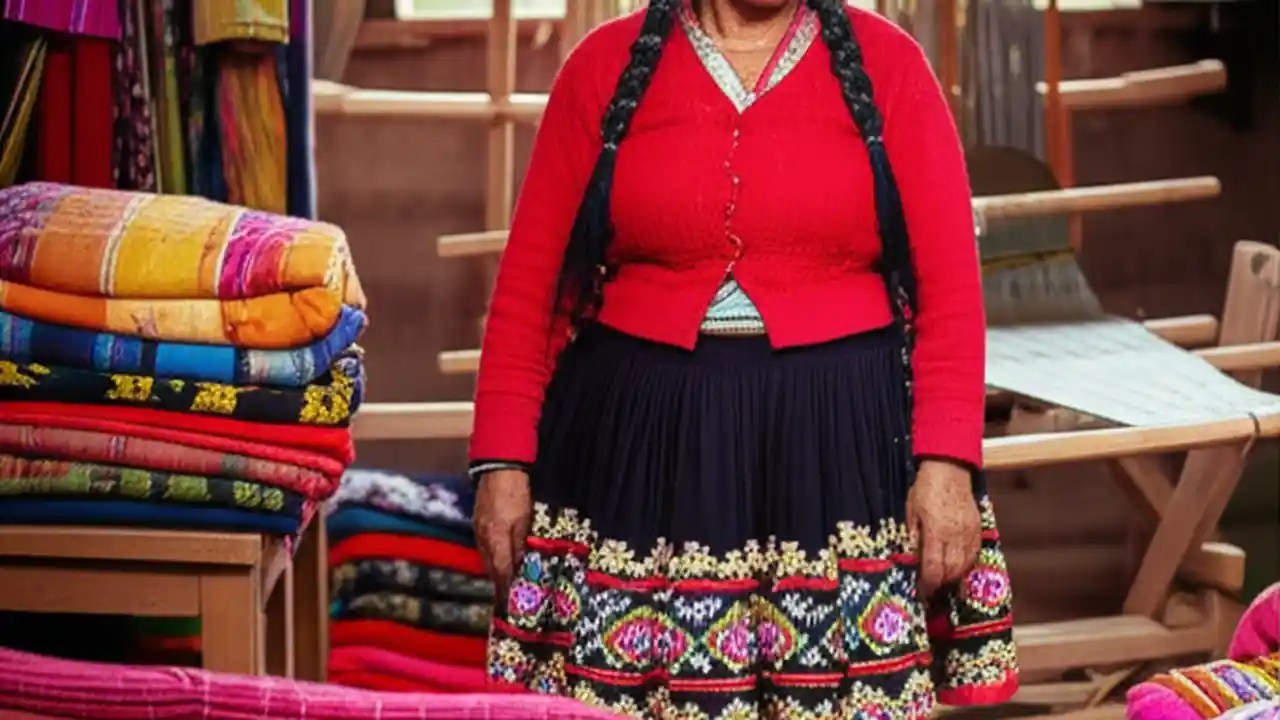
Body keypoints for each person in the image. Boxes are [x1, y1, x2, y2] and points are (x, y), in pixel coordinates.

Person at [468, 0, 1018, 717]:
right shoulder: (601, 69)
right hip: (646, 453)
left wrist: (947, 462)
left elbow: (950, 293)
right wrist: (502, 461)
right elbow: (531, 293)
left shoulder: (891, 67)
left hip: (836, 451)